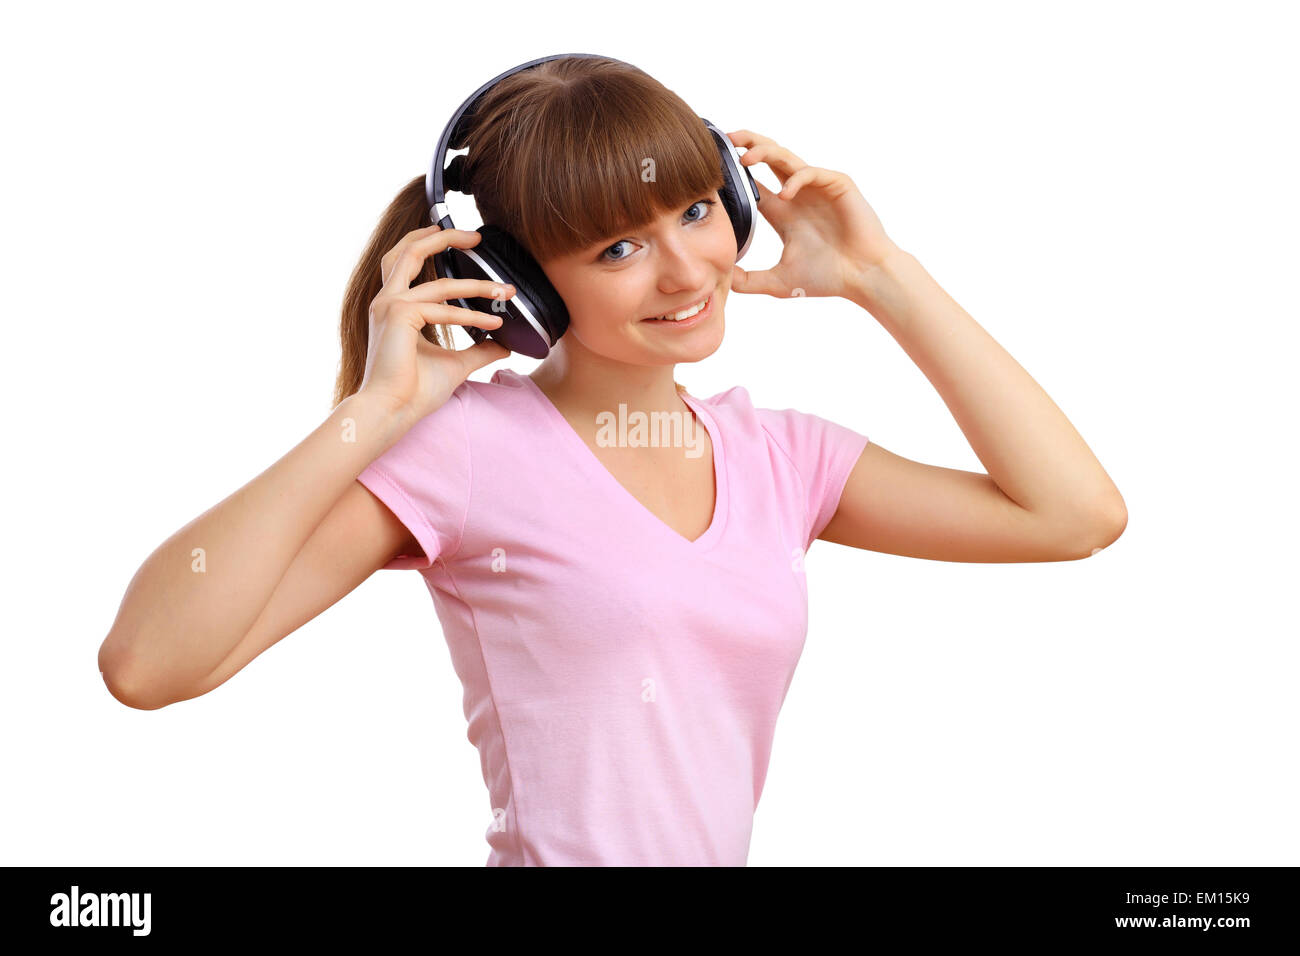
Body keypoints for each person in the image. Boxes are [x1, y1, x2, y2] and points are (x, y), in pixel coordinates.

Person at [97, 56, 1127, 866]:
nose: (686, 269)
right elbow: (149, 664)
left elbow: (1073, 515)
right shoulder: (463, 452)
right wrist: (375, 412)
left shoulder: (782, 456)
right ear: (517, 282)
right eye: (616, 249)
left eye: (692, 210)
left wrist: (879, 276)